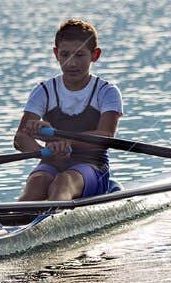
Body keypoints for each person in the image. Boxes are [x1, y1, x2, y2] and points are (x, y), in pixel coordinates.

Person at [13, 18, 122, 201]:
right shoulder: (44, 91)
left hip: (92, 166)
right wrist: (45, 151)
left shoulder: (107, 92)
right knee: (36, 183)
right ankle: (10, 222)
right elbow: (20, 138)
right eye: (65, 55)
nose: (71, 63)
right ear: (56, 54)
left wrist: (63, 141)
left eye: (79, 55)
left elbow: (105, 137)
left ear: (95, 55)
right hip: (51, 162)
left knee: (63, 182)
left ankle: (50, 223)